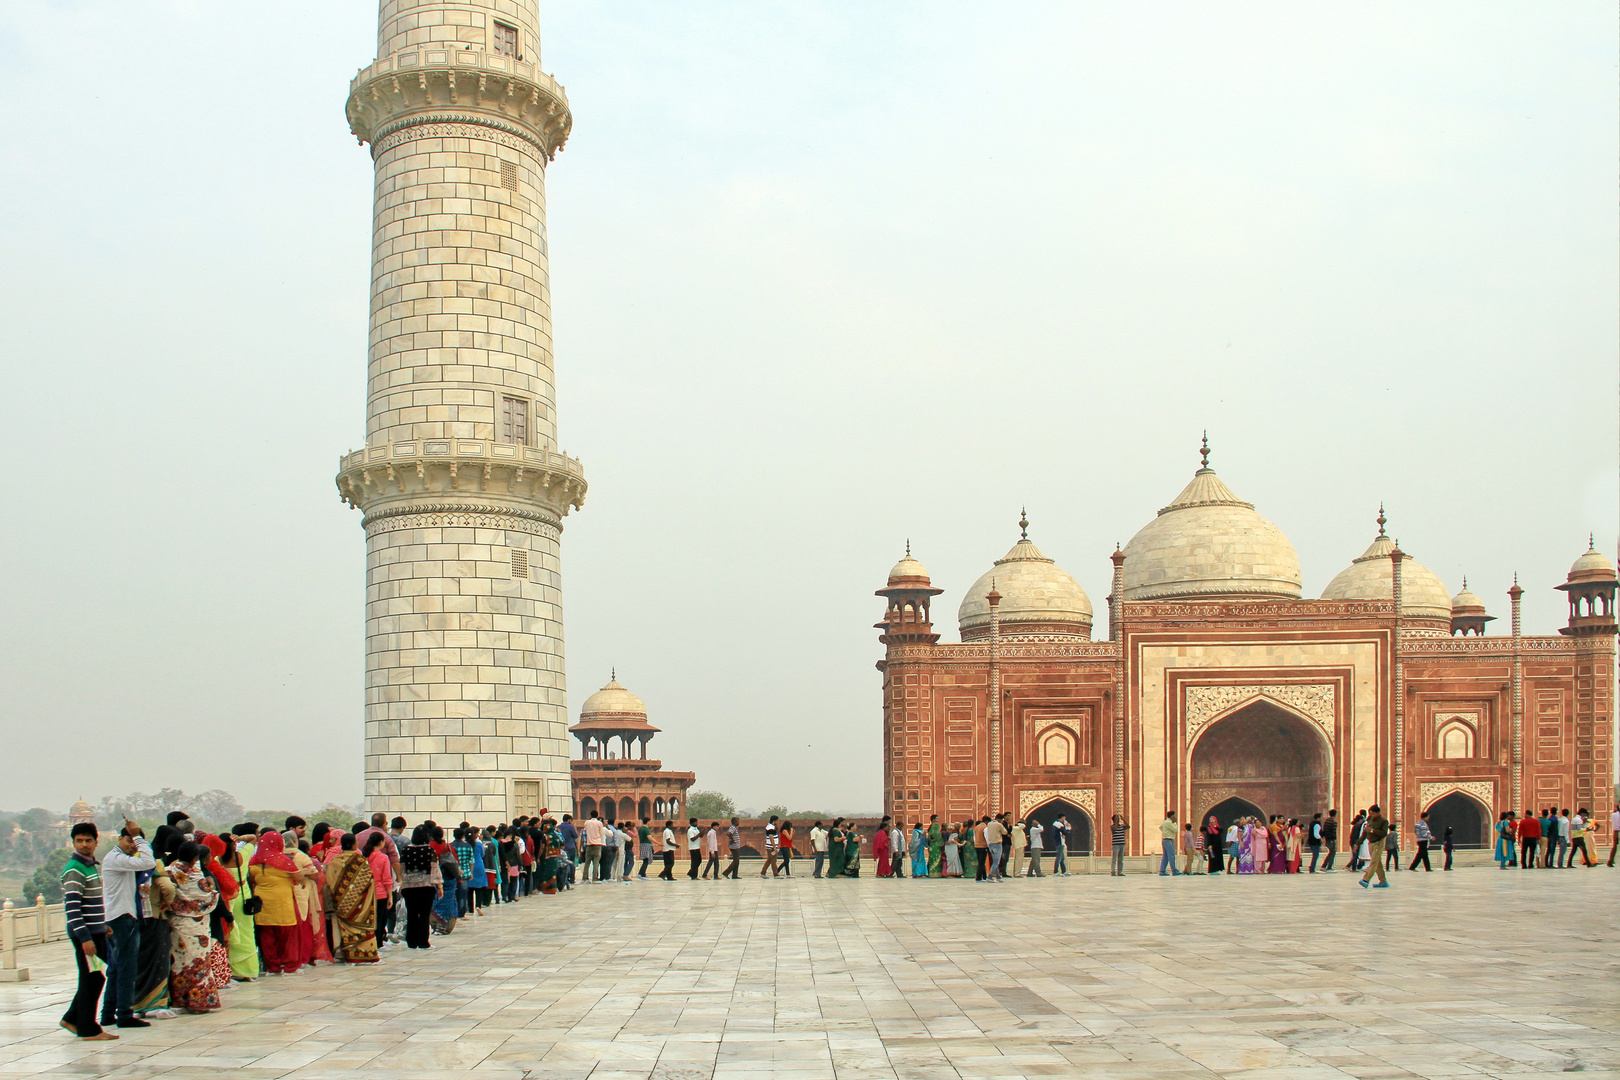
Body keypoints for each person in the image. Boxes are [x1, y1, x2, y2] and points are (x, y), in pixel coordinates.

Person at [60, 822, 116, 1040]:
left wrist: (102, 926)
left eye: (88, 840)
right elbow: (72, 909)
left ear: (96, 841)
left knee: (94, 979)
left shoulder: (90, 866)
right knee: (91, 979)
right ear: (73, 843)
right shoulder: (74, 870)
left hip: (95, 931)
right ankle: (87, 1028)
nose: (84, 845)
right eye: (79, 841)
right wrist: (85, 938)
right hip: (85, 935)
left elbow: (90, 902)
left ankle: (72, 1019)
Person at [98, 820, 154, 1029]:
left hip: (117, 917)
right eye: (129, 840)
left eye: (135, 841)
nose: (133, 845)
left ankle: (108, 1013)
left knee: (116, 968)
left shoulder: (118, 859)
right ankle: (124, 1014)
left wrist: (137, 838)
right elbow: (148, 862)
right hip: (121, 918)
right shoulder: (116, 858)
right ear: (120, 839)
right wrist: (139, 837)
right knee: (127, 969)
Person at [249, 830, 316, 973]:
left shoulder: (254, 861)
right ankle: (290, 966)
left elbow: (252, 879)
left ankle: (273, 967)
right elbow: (299, 877)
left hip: (262, 903)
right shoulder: (282, 860)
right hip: (282, 902)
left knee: (267, 937)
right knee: (288, 936)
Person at [324, 833, 379, 963]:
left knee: (343, 930)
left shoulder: (335, 861)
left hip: (341, 904)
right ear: (355, 844)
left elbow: (330, 882)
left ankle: (346, 954)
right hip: (360, 906)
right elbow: (368, 882)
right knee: (361, 927)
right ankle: (365, 954)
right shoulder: (360, 861)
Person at [397, 826, 443, 949]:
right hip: (426, 886)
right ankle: (423, 942)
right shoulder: (429, 850)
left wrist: (401, 884)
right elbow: (434, 869)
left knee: (411, 913)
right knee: (424, 914)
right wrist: (439, 886)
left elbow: (402, 868)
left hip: (409, 886)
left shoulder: (406, 850)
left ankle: (411, 941)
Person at [1359, 805, 1390, 888]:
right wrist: (1359, 843)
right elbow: (1365, 832)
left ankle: (1366, 880)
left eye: (1373, 813)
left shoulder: (1383, 821)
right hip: (1371, 843)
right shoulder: (1370, 820)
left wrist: (1372, 830)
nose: (1371, 815)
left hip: (1378, 843)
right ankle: (1383, 881)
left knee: (1373, 862)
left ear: (1378, 813)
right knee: (1377, 863)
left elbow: (1383, 833)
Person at [1158, 811, 1180, 876]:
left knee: (1166, 856)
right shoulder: (1169, 822)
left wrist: (1166, 832)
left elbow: (1160, 827)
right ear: (1172, 816)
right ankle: (1174, 870)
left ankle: (1162, 870)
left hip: (1165, 840)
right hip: (1168, 840)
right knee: (1171, 855)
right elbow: (1175, 830)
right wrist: (1175, 823)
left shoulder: (1165, 822)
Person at [983, 815, 1005, 881]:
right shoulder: (999, 825)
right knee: (996, 862)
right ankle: (990, 876)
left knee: (995, 860)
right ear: (1000, 819)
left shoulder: (989, 824)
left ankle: (998, 876)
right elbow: (1005, 832)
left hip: (990, 844)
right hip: (997, 844)